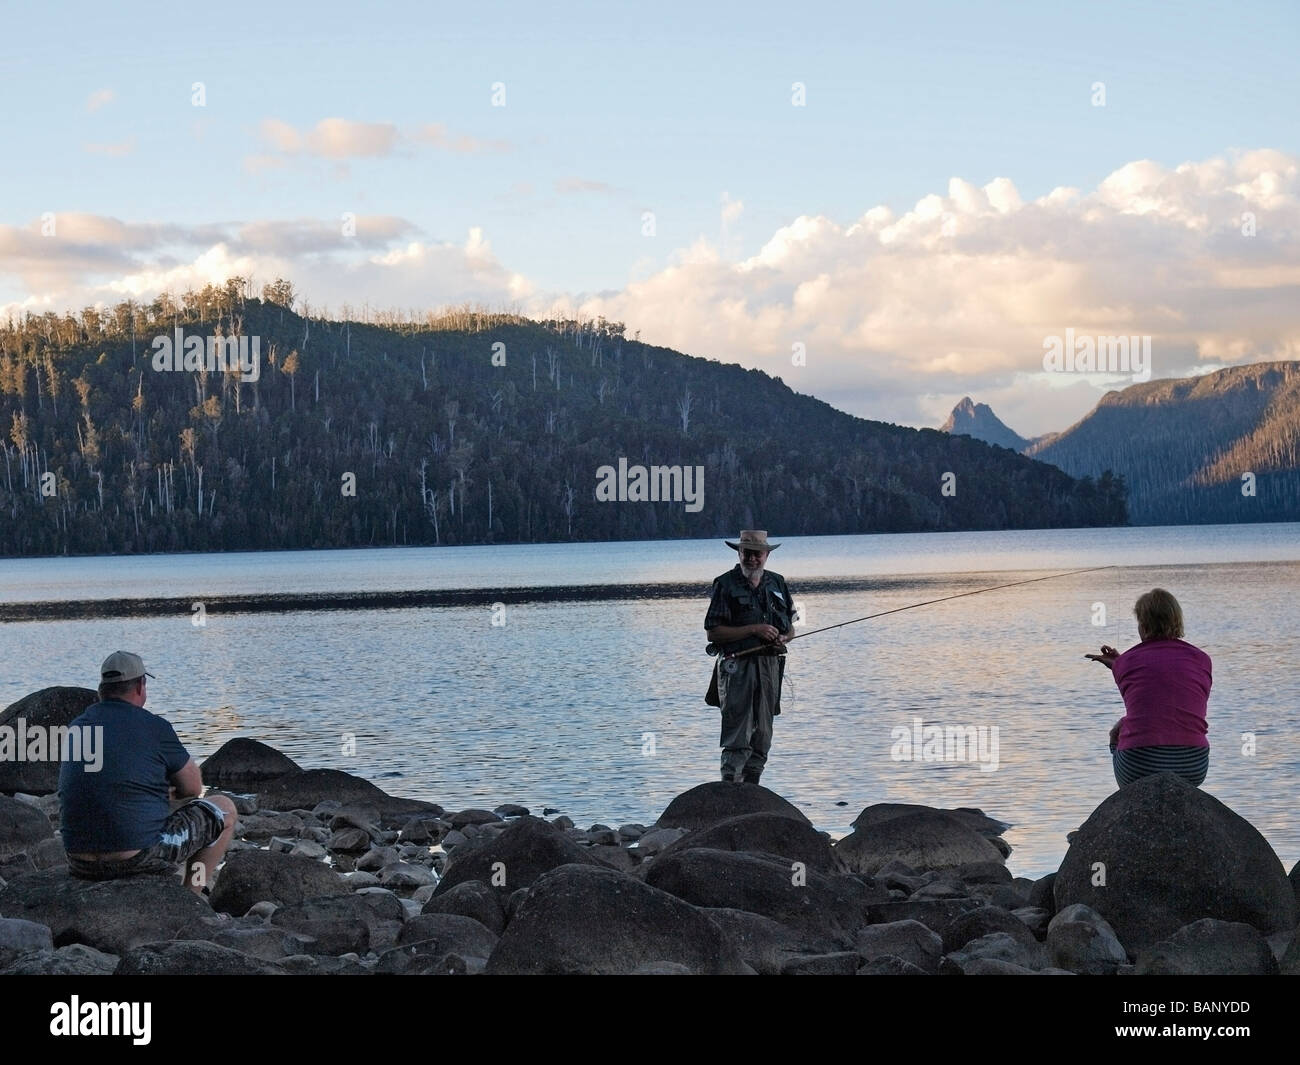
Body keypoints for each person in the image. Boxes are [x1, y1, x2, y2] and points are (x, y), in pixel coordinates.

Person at [59, 651, 237, 894]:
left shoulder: (77, 726)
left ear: (102, 689)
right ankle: (191, 898)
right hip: (136, 857)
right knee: (224, 808)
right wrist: (164, 792)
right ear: (141, 686)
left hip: (79, 861)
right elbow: (194, 789)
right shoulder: (154, 727)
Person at [1085, 589, 1211, 788]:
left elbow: (1146, 698)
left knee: (1118, 731)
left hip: (1139, 766)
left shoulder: (1125, 662)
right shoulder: (1202, 660)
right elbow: (1172, 694)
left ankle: (1132, 799)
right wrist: (1120, 663)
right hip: (1193, 764)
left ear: (1143, 625)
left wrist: (1118, 663)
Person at [704, 530, 796, 785]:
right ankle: (730, 787)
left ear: (767, 555)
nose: (752, 559)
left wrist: (784, 637)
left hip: (770, 665)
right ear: (739, 553)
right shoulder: (725, 584)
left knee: (764, 732)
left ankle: (753, 788)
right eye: (747, 553)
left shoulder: (777, 582)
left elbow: (791, 627)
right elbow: (713, 632)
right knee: (738, 730)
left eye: (757, 554)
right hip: (737, 667)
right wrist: (755, 629)